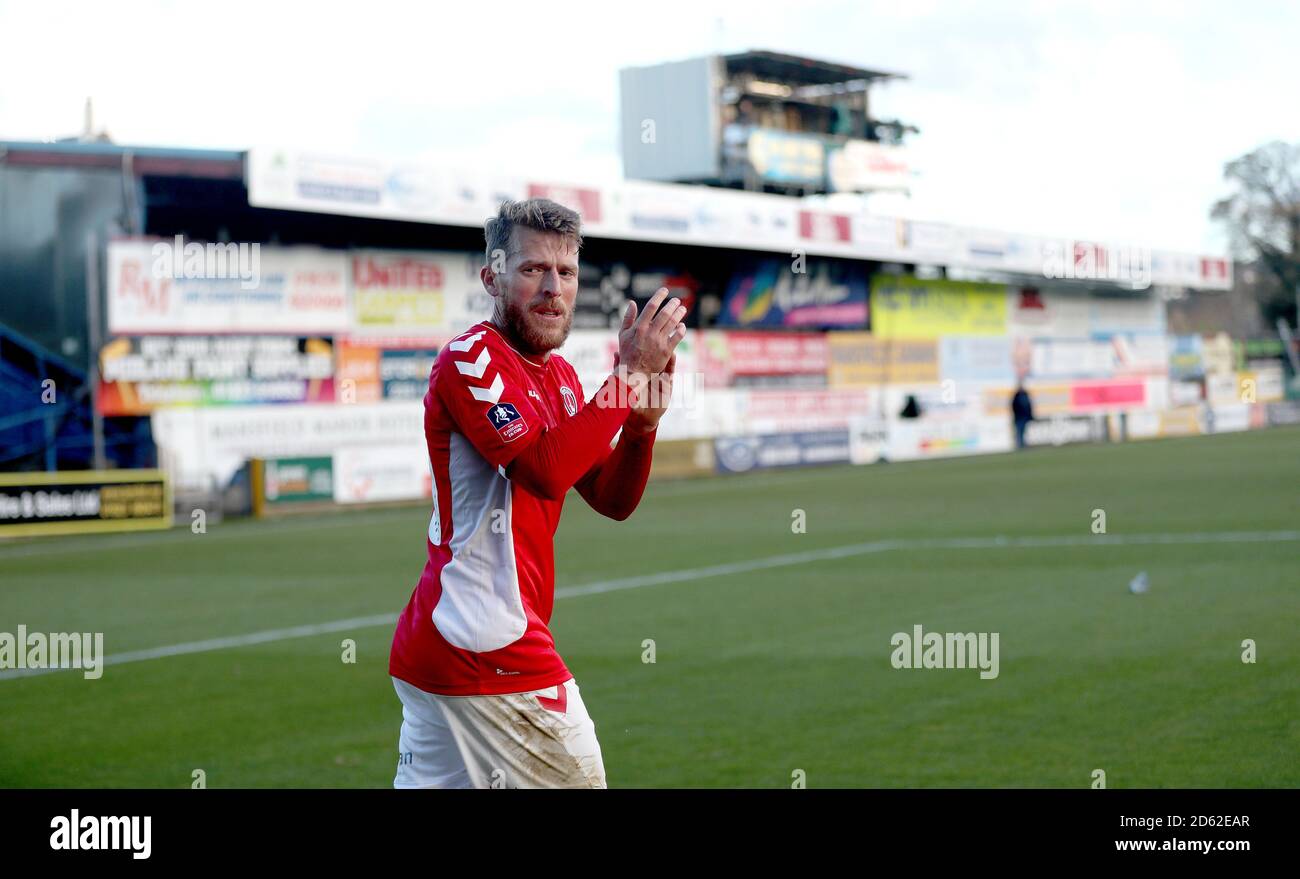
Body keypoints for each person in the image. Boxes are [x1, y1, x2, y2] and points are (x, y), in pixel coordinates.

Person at [388, 198, 686, 789]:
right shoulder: (470, 360)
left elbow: (611, 499)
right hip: (489, 647)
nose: (553, 288)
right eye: (532, 270)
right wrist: (627, 376)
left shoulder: (561, 377)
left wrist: (642, 428)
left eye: (567, 273)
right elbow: (541, 471)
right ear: (492, 277)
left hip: (450, 647)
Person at [1011, 383, 1034, 449]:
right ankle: (1020, 445)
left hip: (1025, 417)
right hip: (1019, 417)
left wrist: (1030, 415)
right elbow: (1013, 406)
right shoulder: (1016, 396)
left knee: (1024, 431)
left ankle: (1023, 444)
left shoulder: (1026, 395)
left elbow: (1029, 406)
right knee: (1019, 431)